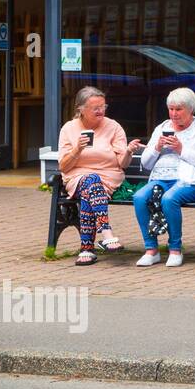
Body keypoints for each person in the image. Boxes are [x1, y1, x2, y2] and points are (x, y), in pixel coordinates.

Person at [132, 88, 195, 267]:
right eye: (171, 109)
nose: (173, 114)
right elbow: (147, 164)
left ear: (190, 109)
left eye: (178, 109)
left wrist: (181, 149)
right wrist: (156, 147)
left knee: (169, 199)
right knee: (139, 197)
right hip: (161, 179)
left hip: (190, 182)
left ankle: (175, 249)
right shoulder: (162, 128)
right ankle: (151, 250)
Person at [57, 86, 143, 265]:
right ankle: (106, 231)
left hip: (108, 178)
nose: (100, 111)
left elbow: (123, 164)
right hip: (77, 178)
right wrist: (77, 149)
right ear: (81, 109)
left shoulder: (113, 127)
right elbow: (64, 167)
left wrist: (128, 151)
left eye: (103, 106)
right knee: (91, 180)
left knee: (92, 188)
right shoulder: (69, 129)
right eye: (95, 108)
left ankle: (87, 249)